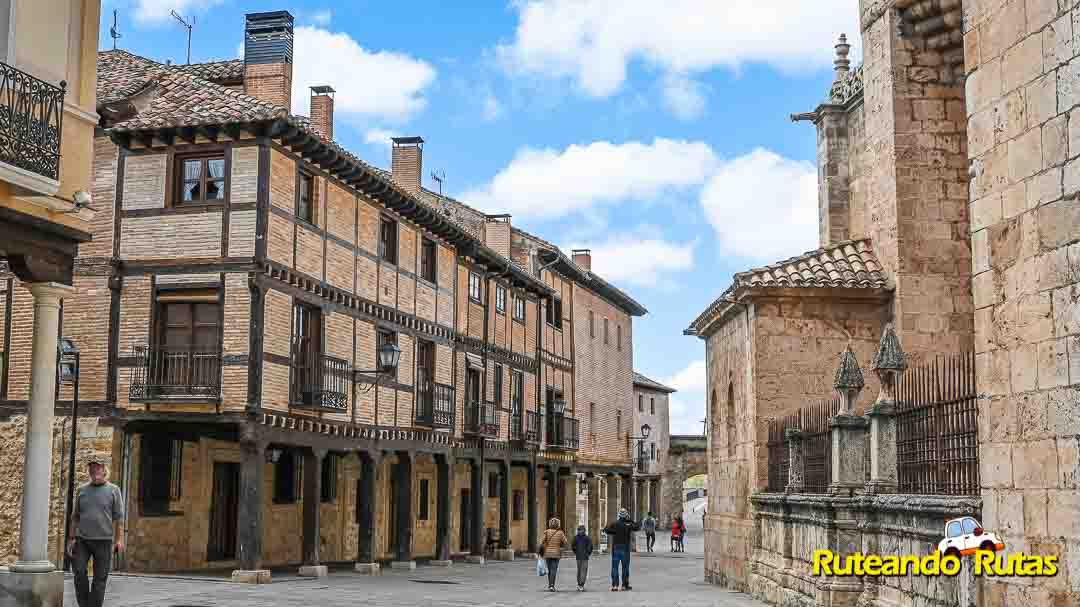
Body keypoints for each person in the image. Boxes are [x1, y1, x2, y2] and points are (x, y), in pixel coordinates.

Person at [67, 458, 125, 607]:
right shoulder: (81, 490)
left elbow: (119, 518)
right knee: (79, 572)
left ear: (104, 470)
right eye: (92, 468)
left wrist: (119, 540)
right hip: (82, 540)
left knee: (100, 578)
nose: (95, 471)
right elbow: (75, 517)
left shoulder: (114, 490)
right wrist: (71, 538)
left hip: (104, 540)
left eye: (98, 468)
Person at [603, 508, 640, 591]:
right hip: (625, 548)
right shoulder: (628, 524)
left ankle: (615, 585)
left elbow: (606, 529)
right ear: (626, 515)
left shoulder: (615, 524)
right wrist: (630, 519)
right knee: (625, 567)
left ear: (619, 515)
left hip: (616, 547)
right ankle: (624, 585)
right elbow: (637, 527)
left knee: (614, 567)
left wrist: (613, 531)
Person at [539, 517, 568, 592]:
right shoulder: (560, 533)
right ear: (558, 524)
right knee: (554, 570)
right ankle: (552, 585)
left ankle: (550, 585)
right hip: (556, 553)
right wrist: (562, 548)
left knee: (549, 570)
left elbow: (541, 542)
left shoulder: (546, 532)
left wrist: (544, 546)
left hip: (547, 553)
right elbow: (565, 542)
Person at [571, 524, 593, 591]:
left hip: (579, 556)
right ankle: (581, 585)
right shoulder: (587, 538)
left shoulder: (576, 537)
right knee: (583, 570)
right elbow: (590, 547)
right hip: (584, 556)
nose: (580, 531)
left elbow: (573, 546)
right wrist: (588, 553)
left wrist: (576, 552)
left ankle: (579, 584)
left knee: (580, 570)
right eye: (580, 530)